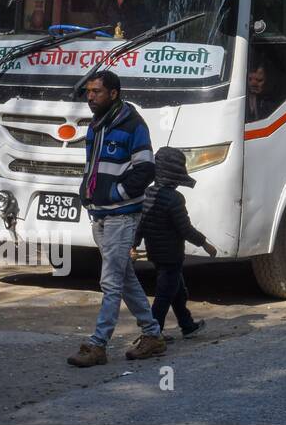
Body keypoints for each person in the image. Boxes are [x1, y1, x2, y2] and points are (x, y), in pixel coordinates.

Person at [67, 71, 166, 367]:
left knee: (110, 281)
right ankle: (152, 334)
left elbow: (146, 169)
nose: (90, 97)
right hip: (99, 215)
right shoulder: (96, 126)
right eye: (88, 91)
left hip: (121, 217)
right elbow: (92, 166)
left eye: (97, 92)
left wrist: (116, 193)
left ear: (113, 93)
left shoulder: (133, 125)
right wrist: (86, 190)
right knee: (124, 278)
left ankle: (98, 345)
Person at [133, 147, 218, 337]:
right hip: (172, 256)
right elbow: (185, 229)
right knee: (164, 296)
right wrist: (204, 243)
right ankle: (153, 333)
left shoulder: (147, 194)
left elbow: (140, 225)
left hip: (155, 254)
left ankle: (187, 325)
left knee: (178, 292)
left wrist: (133, 244)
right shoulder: (175, 199)